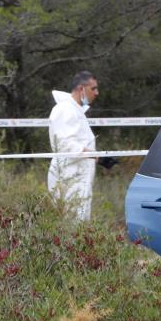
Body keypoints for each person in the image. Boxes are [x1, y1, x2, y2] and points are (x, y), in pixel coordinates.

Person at [48, 71, 98, 220]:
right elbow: (63, 142)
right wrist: (90, 154)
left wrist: (97, 157)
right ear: (81, 89)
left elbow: (77, 141)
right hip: (68, 177)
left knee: (80, 223)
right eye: (93, 88)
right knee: (71, 223)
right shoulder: (64, 109)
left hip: (78, 176)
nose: (97, 93)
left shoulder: (76, 110)